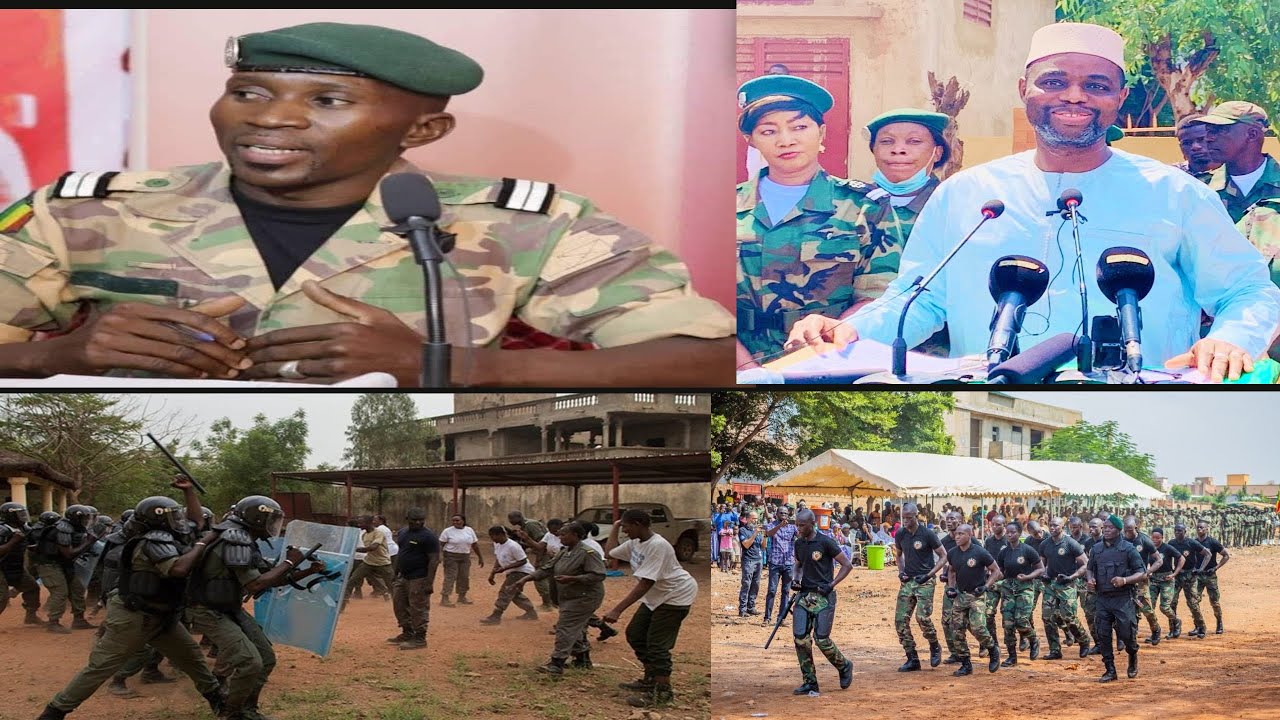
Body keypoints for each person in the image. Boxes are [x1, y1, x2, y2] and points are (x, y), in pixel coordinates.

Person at [0, 21, 734, 387]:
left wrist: (453, 367)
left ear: (422, 130)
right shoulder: (81, 210)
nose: (270, 118)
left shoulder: (527, 224)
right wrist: (59, 356)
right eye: (248, 92)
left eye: (328, 101)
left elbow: (703, 360)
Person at [785, 22, 1280, 383]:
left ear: (1120, 98)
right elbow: (920, 298)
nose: (1074, 96)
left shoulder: (1177, 193)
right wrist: (847, 330)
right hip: (989, 384)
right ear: (1025, 89)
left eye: (1096, 86)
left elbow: (1248, 291)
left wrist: (1232, 338)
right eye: (1054, 82)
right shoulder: (966, 193)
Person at [35, 481, 225, 720]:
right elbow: (178, 569)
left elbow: (196, 521)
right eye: (174, 515)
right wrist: (202, 543)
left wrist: (188, 491)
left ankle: (223, 705)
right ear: (160, 520)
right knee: (100, 668)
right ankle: (54, 712)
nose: (180, 520)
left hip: (162, 616)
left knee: (193, 658)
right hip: (134, 616)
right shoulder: (152, 541)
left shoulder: (172, 535)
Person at [734, 72, 876, 365]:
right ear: (751, 141)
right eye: (768, 131)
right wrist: (745, 368)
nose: (786, 141)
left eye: (799, 127)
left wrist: (837, 333)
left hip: (831, 360)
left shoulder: (865, 206)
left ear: (821, 133)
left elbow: (880, 298)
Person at [184, 494, 327, 720]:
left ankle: (247, 710)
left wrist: (307, 570)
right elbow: (256, 584)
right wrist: (289, 562)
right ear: (257, 519)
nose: (274, 526)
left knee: (266, 658)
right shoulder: (235, 538)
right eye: (271, 520)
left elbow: (269, 578)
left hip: (228, 607)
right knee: (250, 662)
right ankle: (231, 713)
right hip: (208, 610)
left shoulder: (244, 538)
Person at [1195, 101, 1280, 360]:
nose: (1209, 137)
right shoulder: (1196, 193)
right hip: (1211, 345)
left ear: (1252, 134)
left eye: (1220, 130)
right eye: (1208, 130)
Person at [603, 507, 698, 708]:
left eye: (626, 527)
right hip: (656, 597)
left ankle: (663, 693)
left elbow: (646, 582)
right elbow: (608, 553)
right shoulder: (635, 542)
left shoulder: (658, 545)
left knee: (657, 645)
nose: (624, 531)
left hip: (676, 595)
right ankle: (650, 679)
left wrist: (617, 609)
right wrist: (615, 527)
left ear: (638, 525)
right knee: (635, 634)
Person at [517, 521, 605, 674]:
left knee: (565, 627)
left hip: (584, 597)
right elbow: (547, 568)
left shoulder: (588, 553)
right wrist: (526, 578)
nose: (560, 537)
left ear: (575, 535)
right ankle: (582, 660)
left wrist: (573, 579)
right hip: (568, 596)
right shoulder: (564, 551)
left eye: (564, 534)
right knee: (575, 628)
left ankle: (556, 663)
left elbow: (598, 575)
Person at [784, 508, 853, 695]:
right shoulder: (799, 543)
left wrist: (831, 585)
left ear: (812, 524)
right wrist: (796, 580)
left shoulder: (826, 542)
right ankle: (810, 682)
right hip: (804, 596)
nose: (798, 528)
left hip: (824, 597)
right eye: (797, 525)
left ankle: (844, 665)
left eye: (802, 525)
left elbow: (847, 565)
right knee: (800, 638)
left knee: (821, 639)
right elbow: (798, 565)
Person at [1087, 514, 1146, 682]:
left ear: (1119, 530)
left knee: (1127, 634)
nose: (1106, 530)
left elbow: (1142, 573)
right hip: (1102, 598)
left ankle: (1132, 655)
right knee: (1103, 634)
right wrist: (1090, 579)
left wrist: (1125, 580)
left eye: (1110, 528)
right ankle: (1110, 670)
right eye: (1104, 527)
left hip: (1123, 599)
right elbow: (1089, 568)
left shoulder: (1128, 549)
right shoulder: (1096, 549)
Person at [892, 502, 946, 671]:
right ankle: (912, 658)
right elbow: (898, 555)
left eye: (909, 518)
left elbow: (943, 556)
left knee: (922, 617)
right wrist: (901, 572)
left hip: (925, 581)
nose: (906, 521)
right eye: (903, 518)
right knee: (900, 620)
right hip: (909, 581)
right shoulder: (900, 534)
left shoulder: (927, 534)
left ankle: (934, 645)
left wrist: (930, 574)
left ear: (916, 516)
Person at [943, 523, 1002, 676]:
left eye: (961, 534)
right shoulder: (952, 553)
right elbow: (951, 570)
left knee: (978, 627)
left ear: (970, 535)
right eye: (956, 534)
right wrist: (951, 587)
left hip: (977, 596)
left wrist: (986, 586)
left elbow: (996, 571)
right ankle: (966, 664)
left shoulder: (980, 552)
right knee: (956, 630)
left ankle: (992, 649)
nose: (957, 537)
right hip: (960, 596)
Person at [33, 504, 100, 634]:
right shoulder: (63, 529)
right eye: (84, 518)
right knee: (60, 592)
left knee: (77, 589)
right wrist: (88, 542)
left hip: (64, 564)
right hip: (49, 564)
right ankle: (53, 622)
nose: (86, 521)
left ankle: (79, 620)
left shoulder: (76, 528)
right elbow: (68, 553)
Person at [1037, 516, 1091, 659]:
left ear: (1062, 526)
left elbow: (1086, 564)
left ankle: (1084, 640)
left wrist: (1072, 577)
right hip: (1050, 585)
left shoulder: (1071, 543)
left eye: (1055, 525)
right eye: (1050, 525)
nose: (1052, 528)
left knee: (1069, 617)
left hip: (1067, 585)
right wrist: (1043, 574)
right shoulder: (1045, 544)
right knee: (1047, 618)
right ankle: (1055, 650)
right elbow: (1041, 564)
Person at [387, 507, 439, 651]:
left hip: (419, 578)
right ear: (407, 519)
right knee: (399, 605)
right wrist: (395, 572)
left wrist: (429, 583)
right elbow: (401, 553)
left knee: (418, 608)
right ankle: (407, 633)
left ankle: (420, 638)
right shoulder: (403, 533)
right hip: (403, 577)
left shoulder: (429, 536)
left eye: (421, 520)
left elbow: (434, 560)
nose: (418, 523)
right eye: (414, 520)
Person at [995, 519, 1041, 666]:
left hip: (1025, 587)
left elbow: (1040, 569)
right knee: (1008, 623)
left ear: (1020, 533)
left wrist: (1027, 576)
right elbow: (1000, 571)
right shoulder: (1003, 552)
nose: (1010, 535)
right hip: (1008, 588)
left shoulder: (1027, 550)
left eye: (1013, 532)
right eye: (1008, 532)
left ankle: (1033, 640)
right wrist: (995, 577)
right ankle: (1012, 657)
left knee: (1021, 620)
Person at [480, 526, 539, 624]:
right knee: (514, 593)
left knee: (506, 591)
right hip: (512, 572)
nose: (492, 539)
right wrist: (492, 573)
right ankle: (531, 612)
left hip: (522, 571)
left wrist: (504, 568)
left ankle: (496, 615)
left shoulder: (513, 546)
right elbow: (498, 558)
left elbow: (523, 561)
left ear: (501, 535)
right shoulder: (497, 544)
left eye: (493, 536)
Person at [1122, 515, 1163, 643]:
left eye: (1130, 530)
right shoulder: (1121, 539)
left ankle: (1156, 630)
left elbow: (1159, 560)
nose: (1128, 532)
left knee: (1146, 608)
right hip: (1125, 580)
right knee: (1128, 609)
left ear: (1136, 527)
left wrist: (1148, 572)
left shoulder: (1144, 540)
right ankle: (1132, 635)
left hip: (1140, 580)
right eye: (1126, 530)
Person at [1165, 522, 1209, 638]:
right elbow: (1167, 558)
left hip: (1190, 576)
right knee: (1171, 602)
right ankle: (1173, 628)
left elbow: (1207, 554)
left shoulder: (1191, 542)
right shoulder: (1172, 543)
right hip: (1177, 575)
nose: (1177, 533)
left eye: (1180, 531)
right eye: (1176, 530)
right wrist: (1171, 572)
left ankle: (1201, 627)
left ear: (1185, 532)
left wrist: (1200, 569)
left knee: (1193, 603)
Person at [342, 515, 394, 610]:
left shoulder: (378, 533)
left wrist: (354, 549)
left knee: (391, 585)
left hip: (383, 563)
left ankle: (398, 604)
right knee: (352, 580)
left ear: (369, 523)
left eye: (361, 523)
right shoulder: (364, 535)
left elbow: (373, 547)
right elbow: (367, 550)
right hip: (368, 562)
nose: (359, 525)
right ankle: (342, 605)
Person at [508, 510, 554, 610]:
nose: (510, 521)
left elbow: (541, 543)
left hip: (545, 553)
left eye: (511, 518)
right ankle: (550, 602)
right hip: (543, 553)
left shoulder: (530, 525)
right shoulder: (524, 526)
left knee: (539, 577)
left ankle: (547, 604)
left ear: (519, 517)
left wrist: (538, 559)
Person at [1193, 518, 1230, 635]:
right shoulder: (1194, 542)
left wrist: (1216, 568)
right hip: (1198, 577)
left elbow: (1226, 556)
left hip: (1210, 576)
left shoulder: (1213, 542)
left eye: (1202, 527)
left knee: (1214, 601)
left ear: (1207, 529)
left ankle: (1219, 623)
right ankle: (1198, 625)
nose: (1199, 529)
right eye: (1198, 527)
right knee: (1194, 601)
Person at [437, 513, 483, 606]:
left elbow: (474, 545)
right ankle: (445, 598)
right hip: (450, 556)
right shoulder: (447, 531)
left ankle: (462, 597)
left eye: (457, 520)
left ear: (463, 521)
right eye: (453, 520)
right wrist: (439, 555)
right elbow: (440, 544)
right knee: (451, 576)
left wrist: (480, 557)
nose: (455, 522)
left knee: (464, 577)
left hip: (465, 557)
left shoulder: (469, 530)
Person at [762, 504, 797, 626]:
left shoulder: (792, 527)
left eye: (785, 513)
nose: (783, 515)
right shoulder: (771, 524)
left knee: (786, 592)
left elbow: (800, 536)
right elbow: (768, 534)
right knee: (772, 590)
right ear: (777, 514)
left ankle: (781, 618)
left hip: (789, 562)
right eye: (781, 513)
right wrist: (779, 526)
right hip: (775, 562)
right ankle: (767, 618)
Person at [937, 511, 963, 664]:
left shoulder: (971, 540)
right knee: (947, 620)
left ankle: (987, 646)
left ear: (960, 521)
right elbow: (944, 561)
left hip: (967, 585)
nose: (949, 521)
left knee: (969, 622)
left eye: (952, 518)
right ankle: (955, 653)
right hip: (950, 585)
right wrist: (944, 573)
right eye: (947, 519)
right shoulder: (944, 541)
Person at [1173, 112, 1221, 178]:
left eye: (1202, 139)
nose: (1195, 147)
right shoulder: (1173, 174)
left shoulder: (1232, 172)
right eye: (1187, 143)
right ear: (1181, 148)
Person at [737, 510, 763, 617]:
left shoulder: (758, 531)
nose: (755, 520)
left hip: (758, 559)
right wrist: (755, 534)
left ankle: (751, 607)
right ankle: (742, 609)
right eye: (753, 518)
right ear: (747, 519)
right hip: (748, 560)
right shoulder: (742, 530)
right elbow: (746, 545)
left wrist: (765, 536)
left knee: (755, 584)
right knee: (746, 584)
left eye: (756, 518)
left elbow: (763, 546)